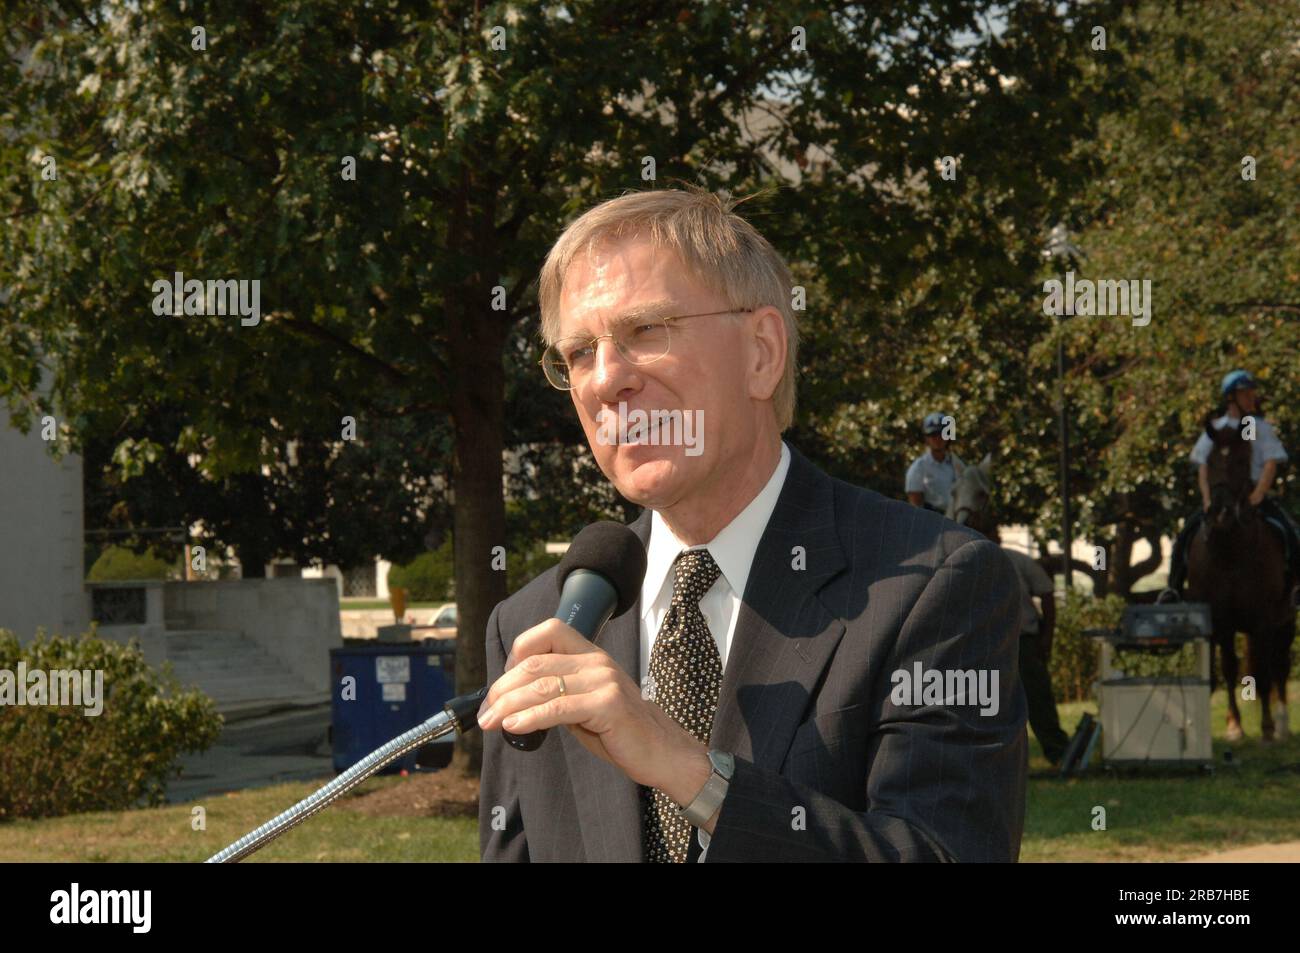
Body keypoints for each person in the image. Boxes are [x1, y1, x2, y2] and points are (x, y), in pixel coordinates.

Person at [477, 188, 1027, 863]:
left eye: (645, 330)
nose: (603, 381)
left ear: (761, 351)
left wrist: (694, 776)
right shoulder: (538, 626)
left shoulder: (932, 585)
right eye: (580, 353)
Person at [1162, 370, 1300, 606]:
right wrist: (1206, 499)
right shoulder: (1216, 428)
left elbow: (1269, 464)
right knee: (1185, 536)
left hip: (1252, 496)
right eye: (1245, 393)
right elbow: (1203, 466)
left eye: (1252, 393)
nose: (1251, 398)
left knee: (1290, 532)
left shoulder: (1255, 427)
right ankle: (1173, 588)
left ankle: (1297, 586)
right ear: (1231, 397)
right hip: (1220, 498)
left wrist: (1257, 495)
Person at [990, 529, 1069, 765]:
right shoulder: (964, 560)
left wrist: (1047, 638)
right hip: (988, 641)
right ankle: (995, 758)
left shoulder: (1017, 560)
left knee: (1037, 697)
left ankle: (1058, 753)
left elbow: (1047, 593)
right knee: (988, 701)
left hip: (1022, 639)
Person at [906, 411, 966, 513]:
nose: (938, 439)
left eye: (942, 434)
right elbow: (915, 507)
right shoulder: (918, 468)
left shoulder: (958, 464)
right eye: (933, 435)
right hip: (931, 522)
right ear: (926, 438)